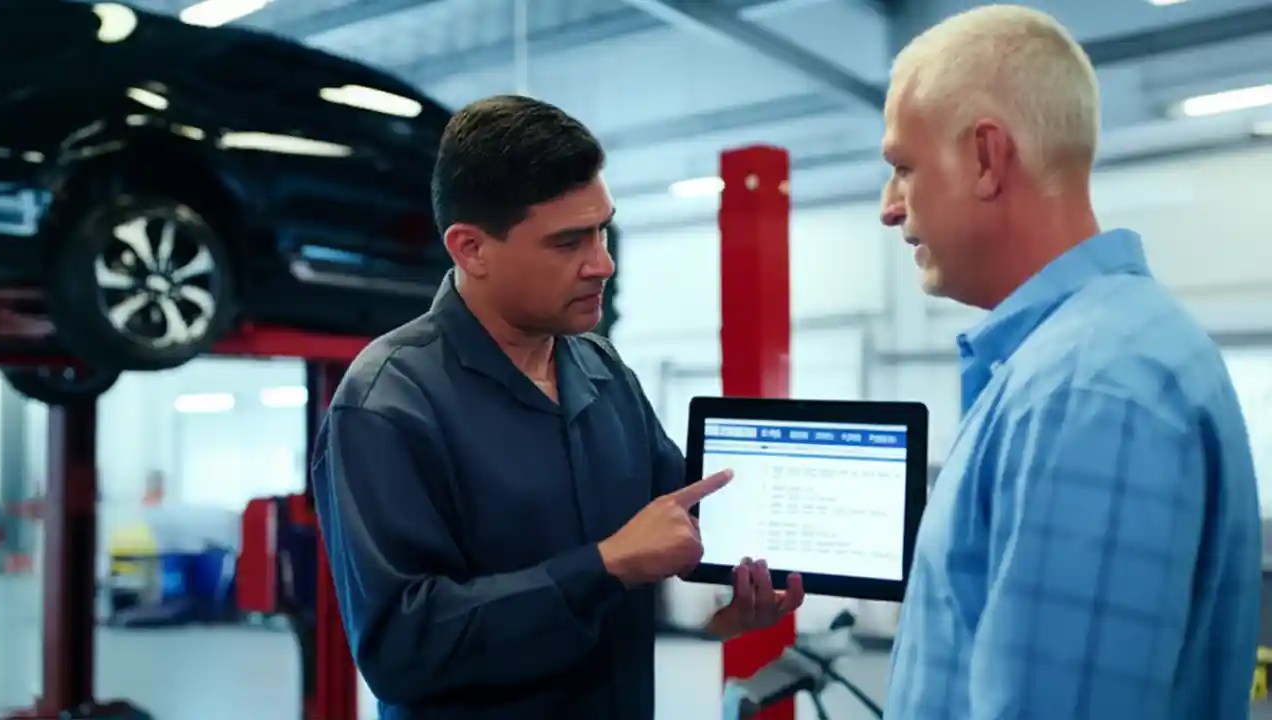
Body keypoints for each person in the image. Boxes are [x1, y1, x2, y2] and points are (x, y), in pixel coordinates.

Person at [310, 94, 805, 720]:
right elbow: (402, 646)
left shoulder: (602, 371)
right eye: (569, 241)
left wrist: (730, 598)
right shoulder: (387, 403)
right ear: (470, 249)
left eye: (602, 229)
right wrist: (603, 566)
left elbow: (682, 517)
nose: (603, 263)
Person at [877, 5, 1261, 719]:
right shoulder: (1083, 361)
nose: (889, 208)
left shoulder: (1091, 392)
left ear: (987, 158)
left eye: (903, 168)